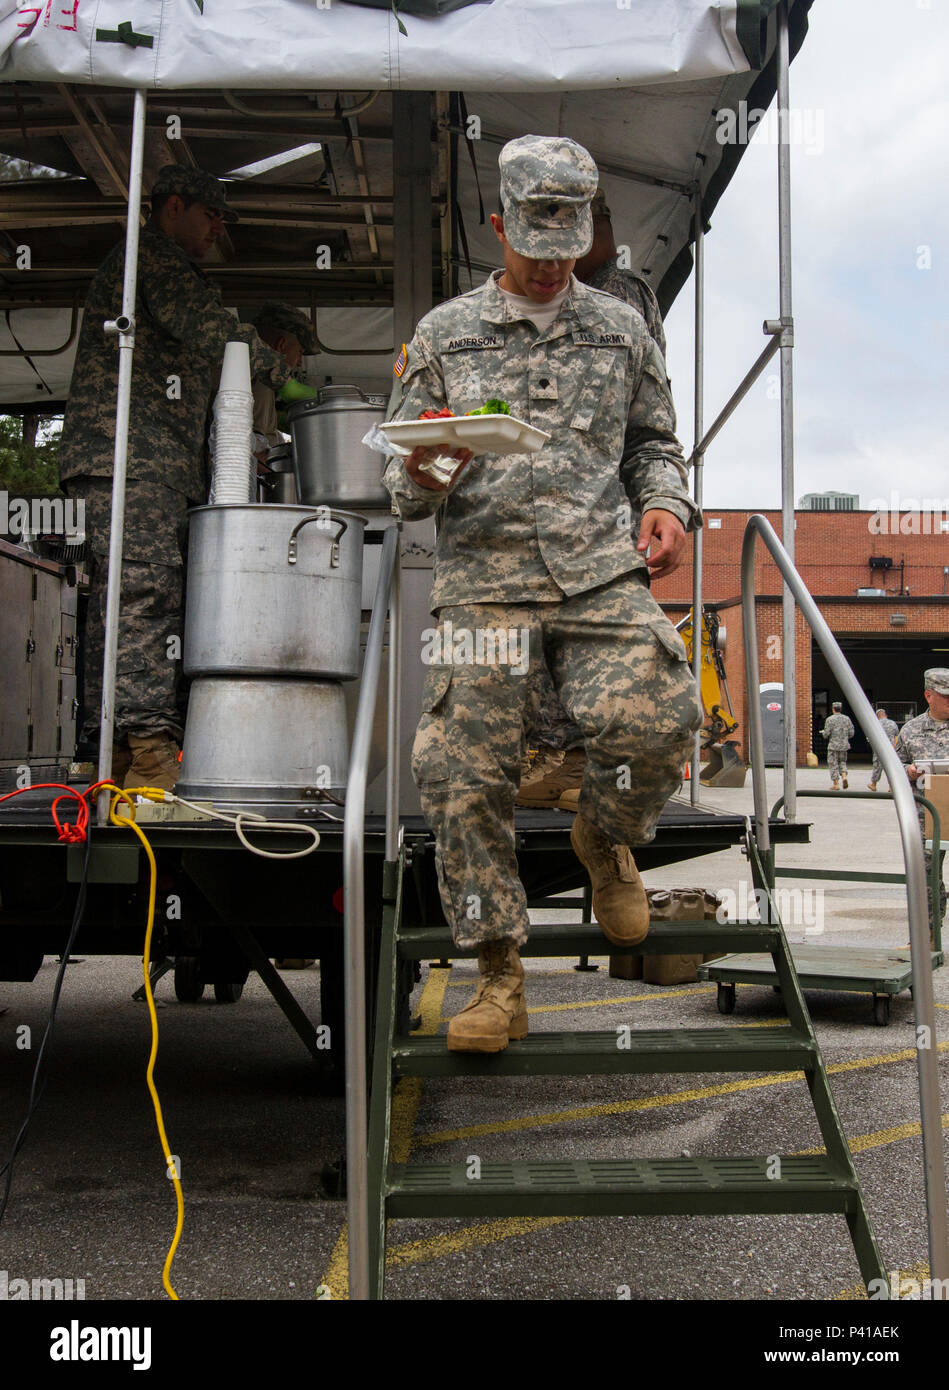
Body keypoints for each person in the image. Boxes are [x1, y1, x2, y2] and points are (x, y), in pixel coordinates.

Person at [383, 134, 702, 1053]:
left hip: (598, 569)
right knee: (458, 772)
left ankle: (603, 838)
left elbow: (652, 442)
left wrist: (667, 506)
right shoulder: (444, 335)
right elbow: (402, 489)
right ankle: (495, 976)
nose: (549, 270)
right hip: (482, 584)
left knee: (656, 717)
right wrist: (434, 463)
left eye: (566, 252)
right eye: (533, 251)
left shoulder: (620, 327)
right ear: (498, 229)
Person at [59, 166, 292, 790]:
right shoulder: (151, 261)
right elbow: (210, 330)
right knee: (142, 596)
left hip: (137, 464)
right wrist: (278, 367)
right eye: (210, 215)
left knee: (120, 602)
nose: (218, 229)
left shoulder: (156, 267)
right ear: (171, 208)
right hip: (130, 462)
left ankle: (115, 750)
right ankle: (148, 748)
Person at [516, 188, 671, 811]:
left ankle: (578, 768)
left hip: (596, 515)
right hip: (559, 510)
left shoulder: (619, 295)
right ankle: (563, 762)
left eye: (579, 227)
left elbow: (642, 426)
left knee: (594, 656)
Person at [895, 670, 949, 931]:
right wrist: (908, 771)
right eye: (945, 696)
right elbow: (896, 764)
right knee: (927, 874)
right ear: (929, 696)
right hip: (926, 813)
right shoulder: (911, 730)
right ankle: (929, 934)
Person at [249, 301, 315, 455]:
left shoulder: (249, 375)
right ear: (281, 345)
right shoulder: (259, 383)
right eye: (299, 352)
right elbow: (248, 452)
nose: (299, 362)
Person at [821, 701, 854, 789]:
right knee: (842, 762)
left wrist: (823, 733)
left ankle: (836, 784)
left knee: (833, 763)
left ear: (833, 709)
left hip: (833, 746)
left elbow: (826, 734)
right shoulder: (847, 719)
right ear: (840, 709)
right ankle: (844, 776)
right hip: (844, 746)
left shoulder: (830, 719)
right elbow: (851, 733)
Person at [867, 706, 899, 792]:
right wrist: (895, 748)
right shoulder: (893, 723)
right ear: (885, 715)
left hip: (879, 749)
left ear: (877, 716)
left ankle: (873, 785)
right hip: (891, 749)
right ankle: (891, 787)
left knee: (877, 767)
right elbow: (897, 737)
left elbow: (870, 739)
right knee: (891, 768)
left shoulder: (874, 724)